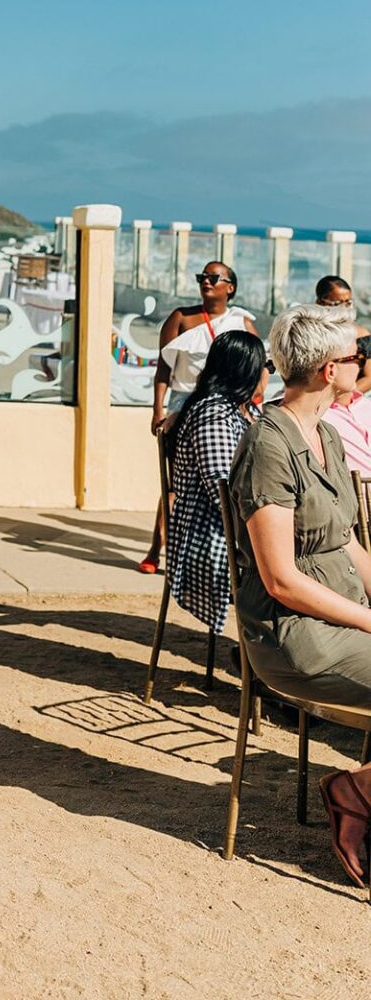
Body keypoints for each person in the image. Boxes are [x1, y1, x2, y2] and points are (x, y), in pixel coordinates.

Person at [229, 306, 371, 885]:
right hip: (295, 635)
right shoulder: (270, 445)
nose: (363, 365)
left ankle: (360, 791)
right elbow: (281, 579)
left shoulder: (327, 434)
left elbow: (346, 546)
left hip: (344, 617)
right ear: (328, 368)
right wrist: (369, 620)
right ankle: (353, 790)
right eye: (357, 358)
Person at [140, 262, 259, 573]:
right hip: (184, 401)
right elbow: (163, 367)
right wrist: (159, 409)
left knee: (224, 480)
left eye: (213, 278)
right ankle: (157, 547)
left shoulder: (242, 321)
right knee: (174, 481)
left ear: (230, 286)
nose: (206, 282)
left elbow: (255, 366)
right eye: (202, 277)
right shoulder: (181, 317)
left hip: (226, 403)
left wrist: (249, 406)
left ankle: (208, 554)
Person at [167, 330, 268, 636]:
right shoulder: (214, 414)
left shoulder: (241, 410)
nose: (268, 375)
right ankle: (262, 655)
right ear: (246, 370)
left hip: (232, 526)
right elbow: (222, 491)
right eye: (267, 366)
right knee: (292, 565)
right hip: (211, 535)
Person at [328, 335, 371, 474]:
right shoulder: (318, 417)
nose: (359, 366)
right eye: (356, 359)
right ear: (330, 369)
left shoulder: (365, 406)